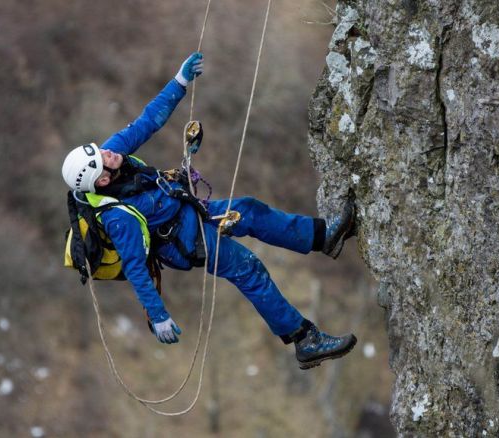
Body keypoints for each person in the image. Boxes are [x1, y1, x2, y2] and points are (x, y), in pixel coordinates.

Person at [61, 52, 357, 369]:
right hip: (184, 242)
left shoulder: (111, 159)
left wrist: (180, 81)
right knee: (248, 268)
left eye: (101, 149)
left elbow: (148, 122)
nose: (108, 151)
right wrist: (158, 315)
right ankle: (304, 339)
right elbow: (135, 267)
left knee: (249, 210)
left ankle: (323, 237)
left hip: (190, 213)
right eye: (102, 157)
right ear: (102, 180)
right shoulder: (117, 217)